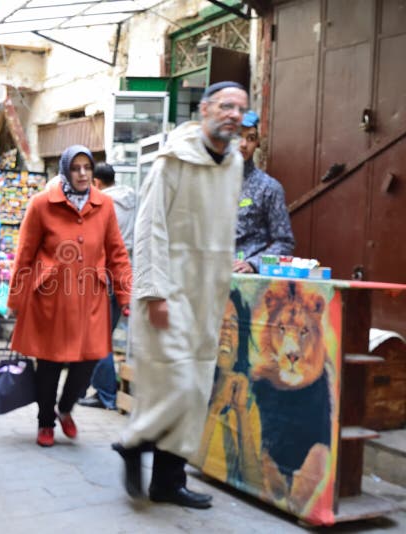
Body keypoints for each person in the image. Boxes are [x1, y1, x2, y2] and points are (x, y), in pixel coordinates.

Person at [112, 81, 248, 509]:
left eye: (241, 109)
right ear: (205, 109)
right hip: (169, 291)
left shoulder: (235, 164)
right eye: (226, 106)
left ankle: (167, 482)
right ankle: (133, 441)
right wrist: (153, 292)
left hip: (208, 294)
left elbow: (223, 230)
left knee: (198, 387)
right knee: (178, 383)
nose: (233, 115)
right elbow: (149, 229)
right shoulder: (171, 162)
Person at [7, 145, 132, 447]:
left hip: (91, 298)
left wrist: (126, 295)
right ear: (65, 170)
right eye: (76, 168)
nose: (82, 174)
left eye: (87, 168)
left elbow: (117, 253)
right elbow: (25, 254)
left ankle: (65, 408)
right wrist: (16, 299)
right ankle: (46, 422)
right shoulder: (41, 205)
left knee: (88, 361)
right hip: (50, 298)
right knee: (48, 364)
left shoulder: (104, 205)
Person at [79, 162, 137, 410]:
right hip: (123, 275)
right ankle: (99, 390)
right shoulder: (132, 201)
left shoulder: (101, 204)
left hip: (102, 276)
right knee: (104, 336)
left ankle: (106, 394)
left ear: (97, 182)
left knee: (97, 338)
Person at [232, 110, 295, 273]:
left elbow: (284, 242)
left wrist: (254, 264)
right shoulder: (208, 183)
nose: (244, 144)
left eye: (251, 138)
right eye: (238, 136)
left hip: (246, 284)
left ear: (258, 143)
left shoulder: (268, 188)